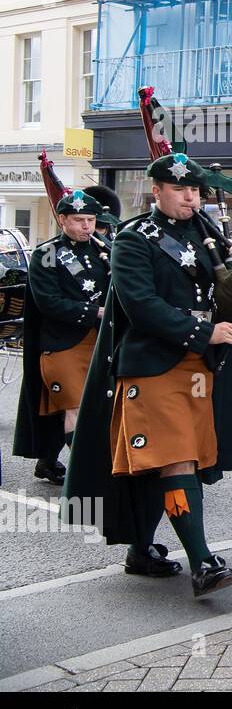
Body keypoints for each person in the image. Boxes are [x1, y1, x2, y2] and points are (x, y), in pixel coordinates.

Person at [64, 152, 232, 596]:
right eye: (179, 189)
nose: (190, 197)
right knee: (176, 457)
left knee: (176, 460)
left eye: (194, 189)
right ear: (157, 191)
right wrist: (205, 329)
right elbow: (141, 306)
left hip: (198, 363)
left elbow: (230, 283)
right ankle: (203, 562)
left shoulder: (207, 231)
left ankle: (140, 549)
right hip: (153, 362)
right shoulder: (134, 239)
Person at [12, 189, 111, 486]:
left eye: (91, 220)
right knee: (76, 407)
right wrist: (95, 312)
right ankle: (89, 476)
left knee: (101, 408)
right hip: (63, 343)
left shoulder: (105, 248)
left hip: (102, 340)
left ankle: (47, 461)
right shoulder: (47, 253)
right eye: (79, 220)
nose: (86, 226)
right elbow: (48, 302)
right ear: (62, 219)